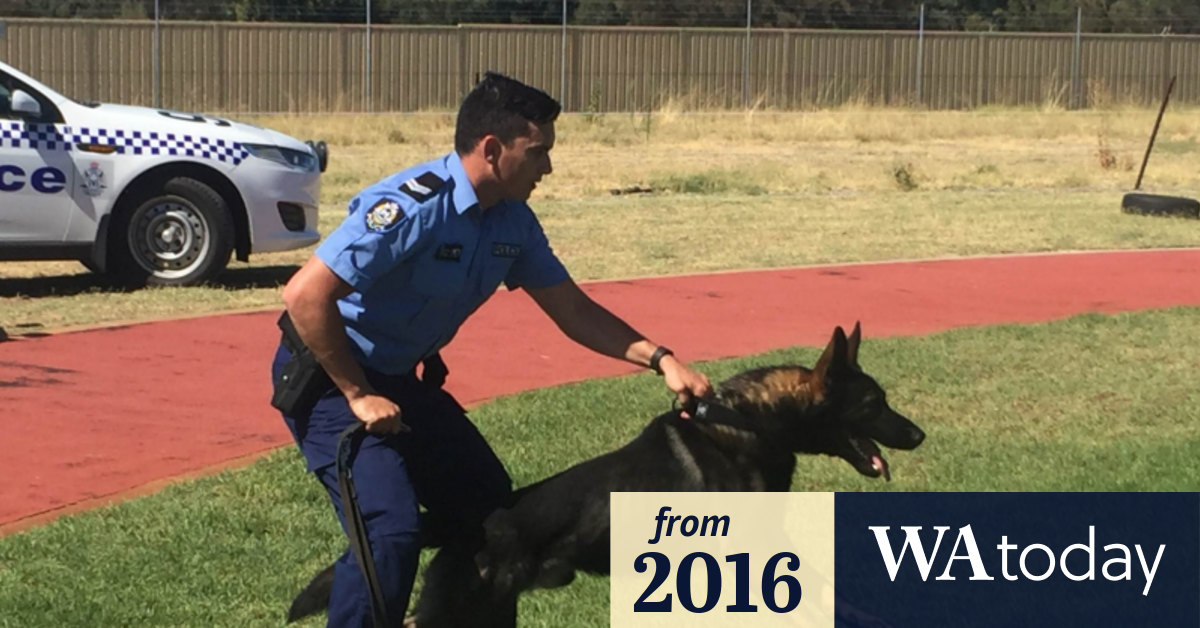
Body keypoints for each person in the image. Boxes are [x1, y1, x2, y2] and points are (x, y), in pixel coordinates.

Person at [271, 71, 711, 627]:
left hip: (398, 380)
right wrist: (358, 394)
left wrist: (661, 359)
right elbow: (305, 296)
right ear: (492, 149)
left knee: (491, 512)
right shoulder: (413, 206)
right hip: (331, 379)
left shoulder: (512, 223)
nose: (547, 168)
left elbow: (573, 310)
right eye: (538, 152)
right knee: (390, 529)